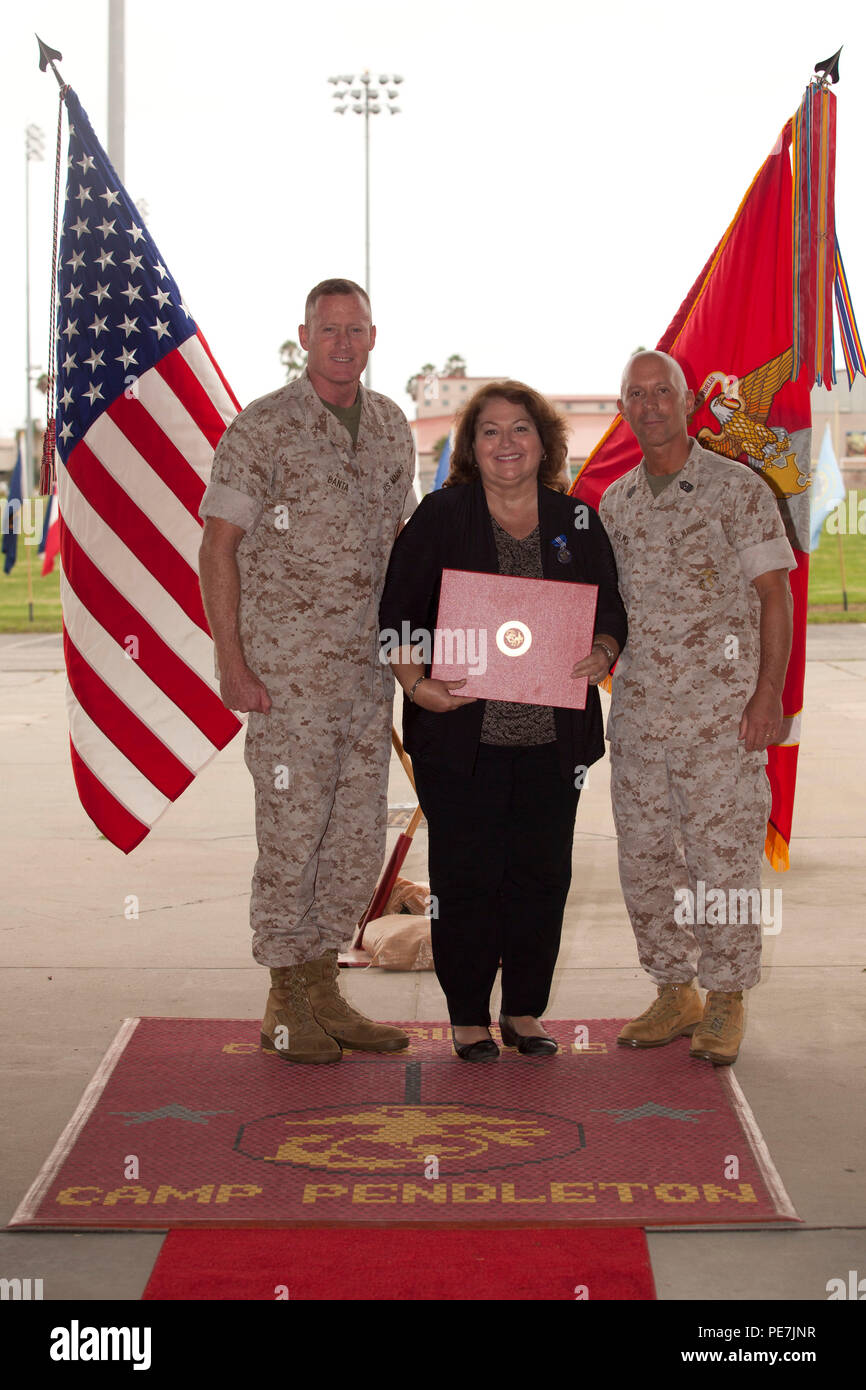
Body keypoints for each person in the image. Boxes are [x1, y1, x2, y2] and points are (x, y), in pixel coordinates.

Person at [198, 277, 416, 1064]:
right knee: (293, 835)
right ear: (304, 338)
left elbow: (403, 547)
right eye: (329, 330)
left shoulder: (390, 426)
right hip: (287, 679)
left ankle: (323, 988)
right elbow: (218, 547)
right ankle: (284, 1002)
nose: (343, 343)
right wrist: (231, 659)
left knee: (355, 837)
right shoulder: (262, 428)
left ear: (373, 337)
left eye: (356, 329)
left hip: (365, 678)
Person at [379, 381, 627, 1060]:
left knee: (542, 879)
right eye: (490, 430)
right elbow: (397, 612)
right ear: (472, 446)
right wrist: (416, 685)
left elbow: (609, 607)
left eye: (521, 428)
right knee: (466, 879)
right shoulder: (442, 516)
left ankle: (524, 1011)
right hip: (461, 738)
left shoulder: (575, 520)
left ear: (543, 443)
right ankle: (467, 1016)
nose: (506, 442)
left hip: (554, 742)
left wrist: (604, 648)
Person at [599, 350, 795, 1065]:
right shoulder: (615, 504)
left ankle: (727, 997)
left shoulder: (737, 489)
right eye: (637, 394)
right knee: (645, 860)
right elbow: (606, 608)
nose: (650, 405)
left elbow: (775, 594)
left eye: (663, 392)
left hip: (721, 719)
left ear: (688, 403)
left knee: (723, 860)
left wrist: (768, 692)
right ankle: (673, 990)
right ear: (623, 408)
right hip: (640, 720)